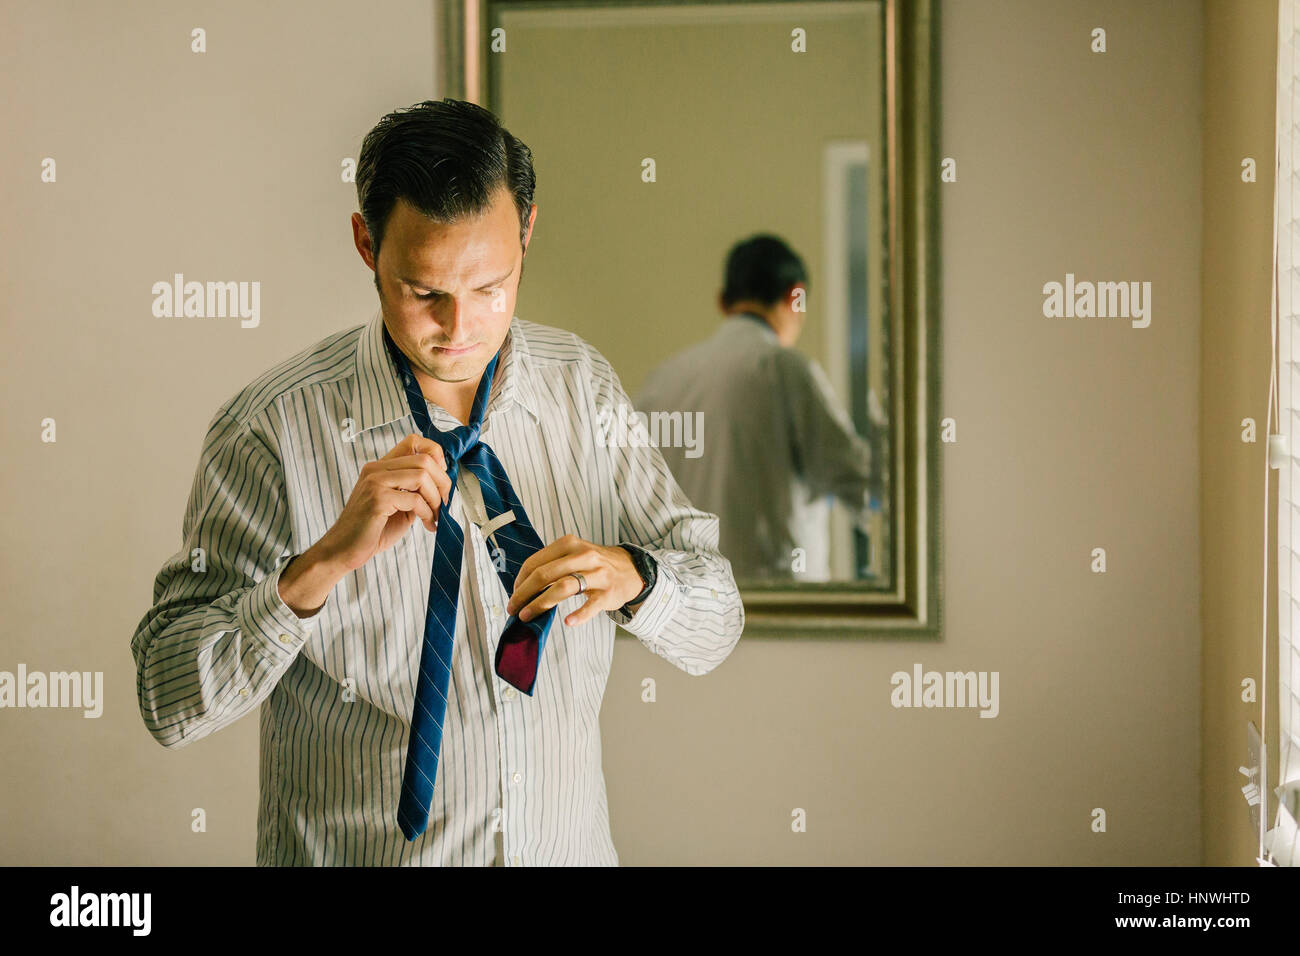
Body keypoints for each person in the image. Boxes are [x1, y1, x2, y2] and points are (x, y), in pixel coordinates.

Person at [129, 98, 744, 866]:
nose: (461, 328)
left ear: (527, 231)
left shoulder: (581, 388)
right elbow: (168, 699)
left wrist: (638, 576)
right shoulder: (271, 429)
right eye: (425, 293)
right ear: (365, 243)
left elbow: (717, 621)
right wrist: (317, 570)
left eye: (492, 286)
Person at [635, 235, 876, 582]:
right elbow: (861, 484)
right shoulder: (786, 369)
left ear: (722, 301)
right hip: (778, 606)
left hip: (685, 609)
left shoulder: (661, 380)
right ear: (796, 296)